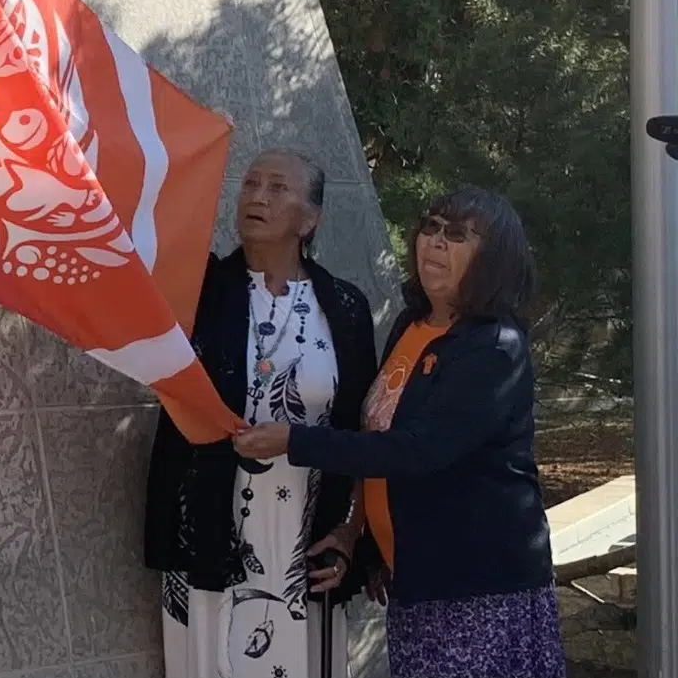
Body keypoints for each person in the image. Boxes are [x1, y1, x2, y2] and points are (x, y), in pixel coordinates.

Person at [234, 186, 564, 678]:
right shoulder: (413, 325)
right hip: (417, 585)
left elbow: (417, 450)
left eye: (457, 234)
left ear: (493, 258)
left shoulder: (494, 347)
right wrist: (359, 539)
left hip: (478, 592)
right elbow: (379, 434)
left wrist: (293, 440)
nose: (434, 241)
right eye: (429, 226)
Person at [145, 149, 379, 678]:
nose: (258, 195)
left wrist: (350, 531)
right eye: (251, 183)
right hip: (209, 529)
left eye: (277, 187)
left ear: (310, 218)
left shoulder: (344, 308)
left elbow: (364, 434)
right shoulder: (197, 291)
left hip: (306, 533)